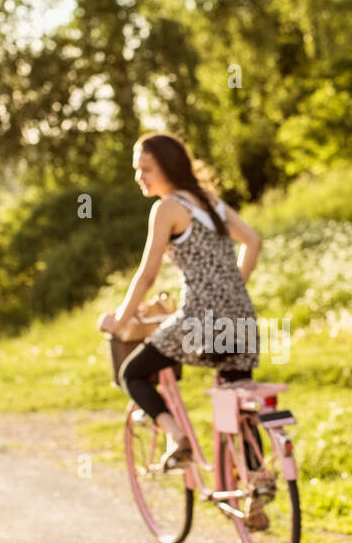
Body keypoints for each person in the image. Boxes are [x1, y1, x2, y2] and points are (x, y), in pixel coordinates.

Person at [99, 132, 263, 472]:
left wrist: (120, 319)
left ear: (168, 168)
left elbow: (147, 275)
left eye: (146, 168)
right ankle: (256, 481)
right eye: (136, 169)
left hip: (199, 320)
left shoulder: (168, 208)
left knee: (134, 373)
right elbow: (253, 241)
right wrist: (230, 287)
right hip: (242, 315)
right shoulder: (210, 201)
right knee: (235, 395)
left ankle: (177, 438)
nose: (138, 177)